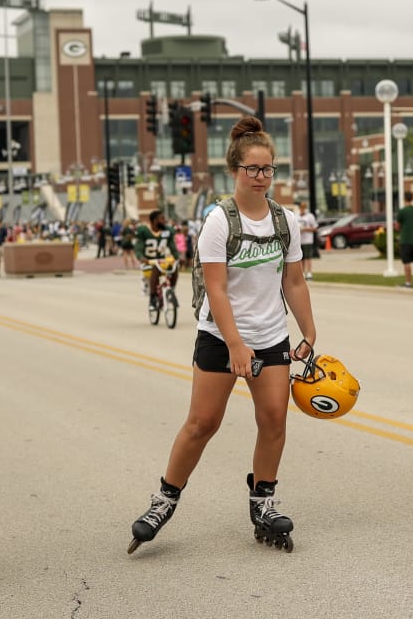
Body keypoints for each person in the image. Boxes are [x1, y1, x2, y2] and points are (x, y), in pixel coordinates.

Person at [128, 115, 316, 553]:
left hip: (270, 336)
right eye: (252, 168)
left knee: (274, 419)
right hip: (221, 336)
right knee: (202, 423)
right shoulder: (218, 221)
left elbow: (294, 281)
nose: (261, 176)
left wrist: (309, 330)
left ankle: (263, 502)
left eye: (267, 168)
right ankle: (164, 500)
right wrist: (234, 344)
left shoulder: (285, 221)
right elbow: (216, 288)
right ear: (234, 170)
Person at [135, 210, 180, 306]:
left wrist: (177, 257)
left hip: (161, 261)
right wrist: (141, 257)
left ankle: (171, 291)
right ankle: (153, 297)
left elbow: (173, 247)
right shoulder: (144, 231)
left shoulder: (167, 231)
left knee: (174, 267)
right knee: (156, 268)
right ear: (155, 220)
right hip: (148, 263)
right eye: (162, 218)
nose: (164, 220)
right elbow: (138, 248)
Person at [395, 191, 413, 288]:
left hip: (406, 239)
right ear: (412, 198)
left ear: (404, 199)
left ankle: (408, 282)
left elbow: (397, 226)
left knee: (406, 262)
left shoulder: (402, 211)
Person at [297, 201, 318, 280]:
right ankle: (302, 273)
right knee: (301, 258)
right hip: (299, 240)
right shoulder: (296, 216)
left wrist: (305, 229)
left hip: (308, 240)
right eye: (301, 207)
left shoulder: (310, 216)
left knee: (308, 257)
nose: (302, 209)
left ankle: (309, 273)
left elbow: (315, 228)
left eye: (304, 207)